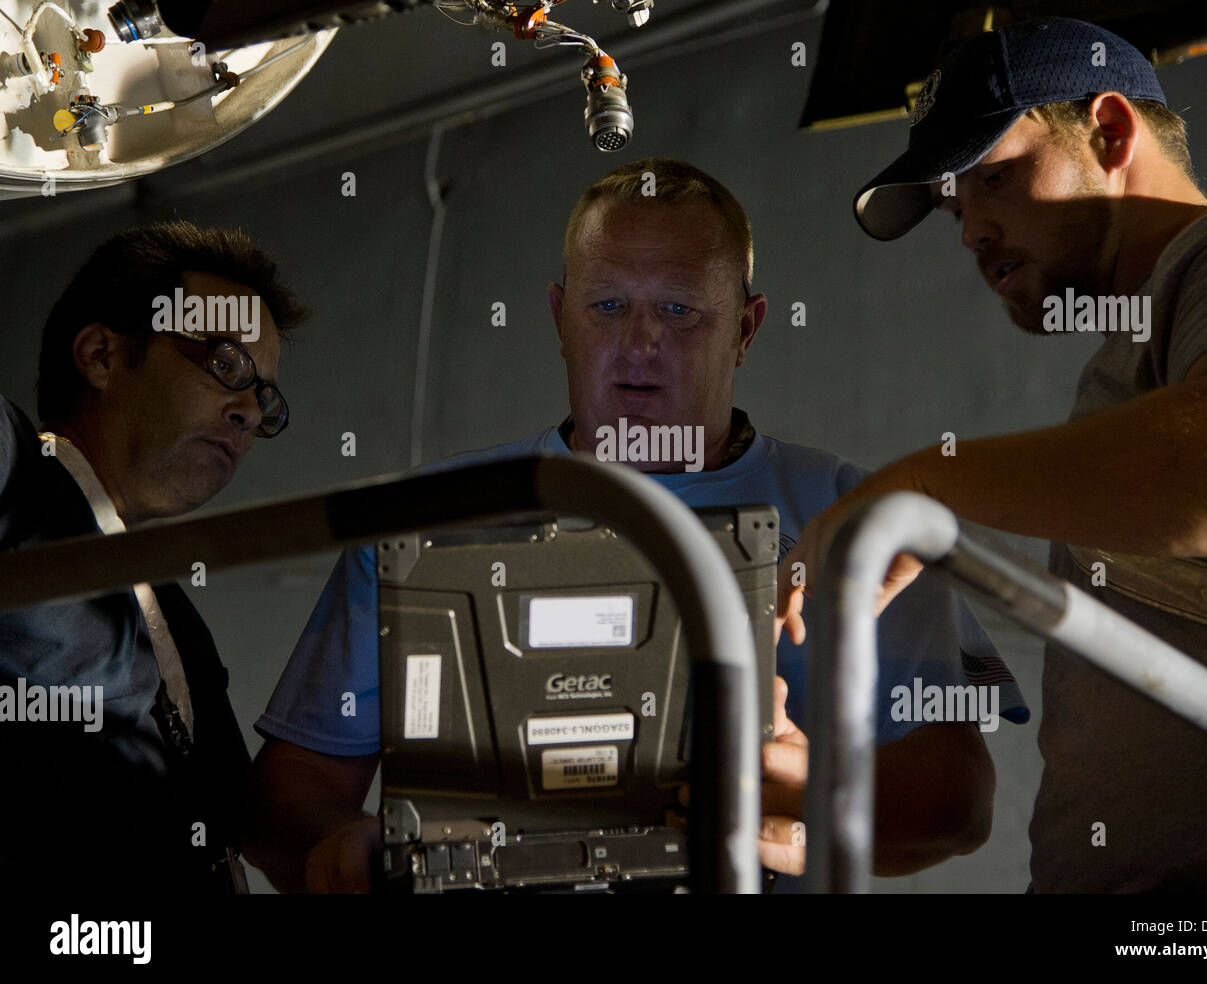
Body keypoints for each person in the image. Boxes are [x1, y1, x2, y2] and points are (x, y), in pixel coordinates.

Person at [245, 158, 1026, 893]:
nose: (640, 345)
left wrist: (808, 788)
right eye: (608, 305)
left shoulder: (856, 516)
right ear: (560, 317)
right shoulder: (424, 519)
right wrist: (347, 850)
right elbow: (292, 793)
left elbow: (958, 804)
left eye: (681, 311)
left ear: (746, 330)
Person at [782, 17, 1207, 892]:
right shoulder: (1133, 362)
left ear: (1110, 131)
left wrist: (927, 484)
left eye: (995, 177)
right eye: (955, 201)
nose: (970, 231)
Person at [0, 221, 306, 893]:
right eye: (225, 364)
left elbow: (253, 823)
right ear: (102, 355)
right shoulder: (20, 477)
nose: (250, 412)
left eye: (266, 398)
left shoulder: (175, 617)